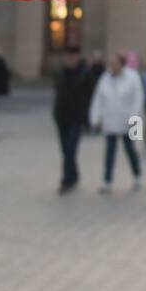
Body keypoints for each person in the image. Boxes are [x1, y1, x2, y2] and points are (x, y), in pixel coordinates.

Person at [89, 52, 145, 193]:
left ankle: (137, 176)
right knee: (109, 152)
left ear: (122, 64)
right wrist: (95, 118)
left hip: (130, 121)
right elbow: (98, 99)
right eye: (111, 64)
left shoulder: (132, 77)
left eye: (115, 63)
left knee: (131, 150)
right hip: (111, 120)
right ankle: (107, 181)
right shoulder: (105, 78)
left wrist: (134, 120)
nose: (112, 66)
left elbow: (138, 100)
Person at [53, 47, 90, 194]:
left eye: (73, 57)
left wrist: (87, 117)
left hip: (76, 118)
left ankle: (67, 180)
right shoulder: (60, 72)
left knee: (70, 149)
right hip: (62, 117)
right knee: (65, 150)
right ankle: (74, 174)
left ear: (78, 57)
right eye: (68, 57)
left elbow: (89, 95)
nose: (70, 60)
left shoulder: (85, 73)